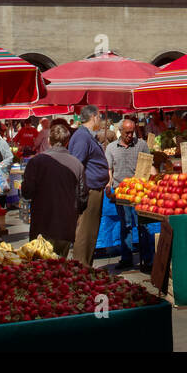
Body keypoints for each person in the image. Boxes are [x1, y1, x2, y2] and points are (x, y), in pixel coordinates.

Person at [20, 121, 86, 258]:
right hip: (66, 226)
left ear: (49, 140)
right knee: (59, 270)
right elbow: (82, 198)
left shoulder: (36, 162)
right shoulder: (77, 164)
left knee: (40, 270)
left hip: (42, 226)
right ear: (67, 142)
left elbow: (26, 192)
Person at [105, 118, 154, 270]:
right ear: (120, 131)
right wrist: (108, 184)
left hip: (139, 190)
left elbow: (149, 165)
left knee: (143, 225)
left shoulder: (141, 145)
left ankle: (147, 260)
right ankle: (126, 258)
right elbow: (109, 169)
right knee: (125, 225)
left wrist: (155, 180)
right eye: (127, 133)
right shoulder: (111, 148)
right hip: (121, 192)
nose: (130, 135)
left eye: (132, 132)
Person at [69, 105, 110, 266]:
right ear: (94, 116)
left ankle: (85, 266)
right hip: (89, 189)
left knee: (90, 231)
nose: (100, 120)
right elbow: (77, 163)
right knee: (85, 232)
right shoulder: (81, 137)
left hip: (93, 188)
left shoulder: (86, 136)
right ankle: (81, 267)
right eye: (100, 117)